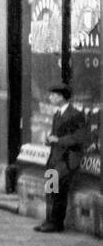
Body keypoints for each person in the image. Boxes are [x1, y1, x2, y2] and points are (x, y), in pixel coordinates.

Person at [35, 84, 93, 233]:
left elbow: (80, 137)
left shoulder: (75, 114)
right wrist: (50, 140)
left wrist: (58, 140)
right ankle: (49, 220)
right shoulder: (57, 114)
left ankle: (56, 222)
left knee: (59, 191)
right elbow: (57, 136)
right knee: (51, 189)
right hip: (55, 158)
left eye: (54, 95)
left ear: (62, 97)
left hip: (67, 160)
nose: (51, 98)